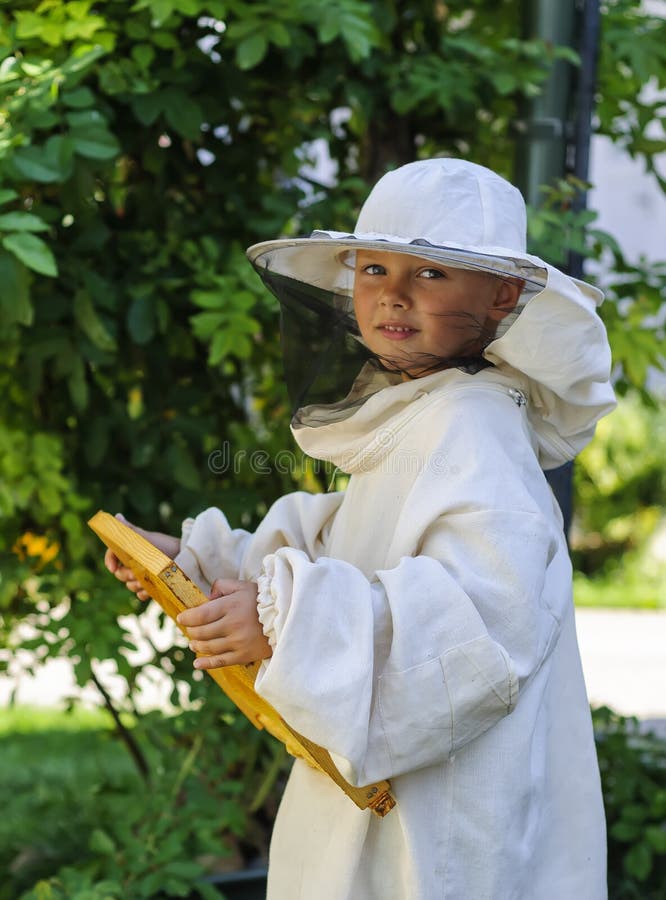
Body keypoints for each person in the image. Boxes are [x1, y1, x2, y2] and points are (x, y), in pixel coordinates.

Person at [105, 158, 616, 899]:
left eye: (433, 274)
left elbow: (473, 629)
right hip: (387, 801)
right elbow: (338, 548)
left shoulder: (476, 427)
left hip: (439, 832)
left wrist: (282, 621)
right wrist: (197, 561)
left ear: (503, 295)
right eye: (373, 268)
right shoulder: (428, 408)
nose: (394, 294)